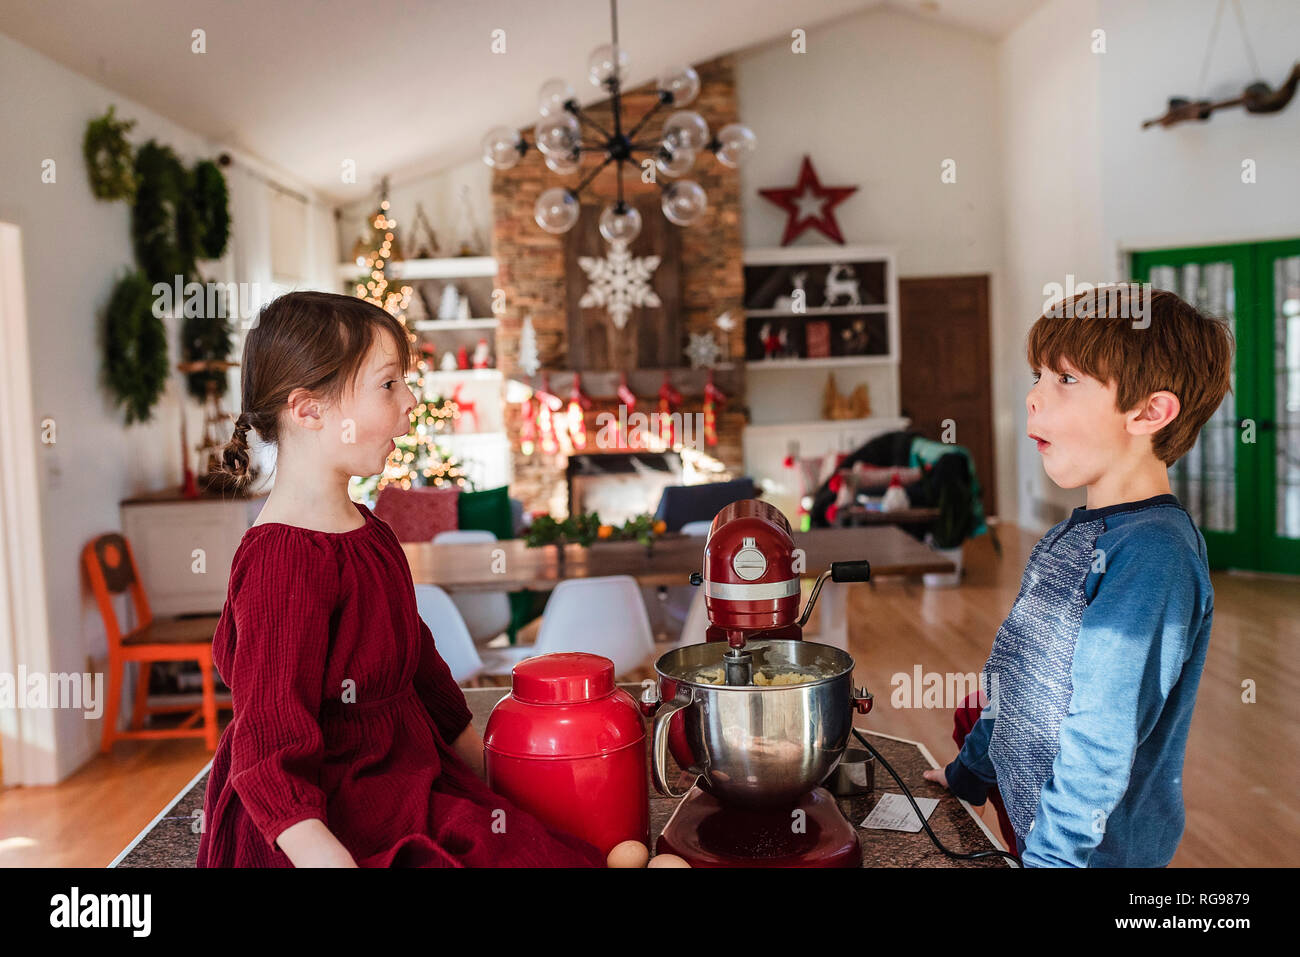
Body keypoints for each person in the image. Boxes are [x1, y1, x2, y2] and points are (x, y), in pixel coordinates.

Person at [195, 291, 611, 867]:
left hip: (403, 772)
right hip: (322, 820)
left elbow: (423, 672)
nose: (411, 400)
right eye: (389, 384)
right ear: (309, 410)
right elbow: (267, 748)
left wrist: (497, 787)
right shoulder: (280, 561)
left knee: (530, 847)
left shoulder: (370, 531)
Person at [924, 286, 1233, 867]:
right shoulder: (1069, 535)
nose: (1033, 397)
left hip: (1085, 854)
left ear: (1149, 412)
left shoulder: (1155, 557)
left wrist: (1051, 862)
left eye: (1065, 379)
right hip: (1036, 827)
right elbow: (1014, 677)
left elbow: (1100, 740)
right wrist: (967, 774)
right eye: (1037, 375)